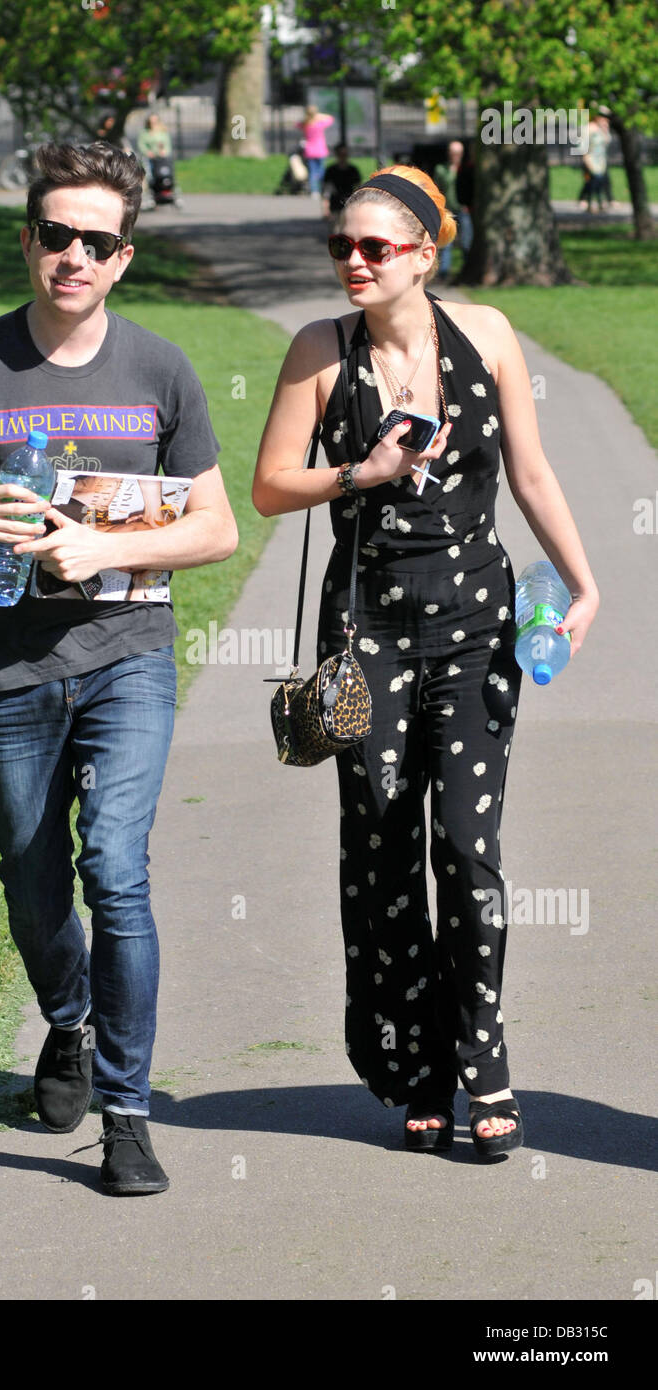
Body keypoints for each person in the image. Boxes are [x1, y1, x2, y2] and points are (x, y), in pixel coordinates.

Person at [0, 140, 238, 1195]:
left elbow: (215, 528)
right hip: (12, 672)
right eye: (56, 235)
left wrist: (110, 548)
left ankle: (127, 1112)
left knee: (114, 873)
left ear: (122, 258)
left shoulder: (161, 370)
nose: (73, 256)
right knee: (32, 889)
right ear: (27, 240)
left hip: (129, 657)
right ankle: (69, 1021)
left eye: (97, 241)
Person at [252, 165, 599, 1158]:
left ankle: (483, 1059)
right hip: (366, 637)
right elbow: (271, 489)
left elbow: (529, 469)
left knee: (467, 848)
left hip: (480, 625)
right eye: (340, 247)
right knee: (383, 851)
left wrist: (584, 584)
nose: (352, 263)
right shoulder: (319, 353)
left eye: (374, 247)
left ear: (425, 255)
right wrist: (364, 470)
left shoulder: (485, 333)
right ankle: (416, 1062)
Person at [433, 140, 473, 279]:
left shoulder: (467, 169)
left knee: (466, 241)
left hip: (463, 209)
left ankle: (466, 269)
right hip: (448, 210)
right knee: (446, 242)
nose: (455, 155)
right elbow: (437, 189)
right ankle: (444, 272)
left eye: (458, 153)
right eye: (453, 153)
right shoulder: (441, 169)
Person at [297, 105, 336, 197]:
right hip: (320, 150)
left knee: (312, 171)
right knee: (321, 171)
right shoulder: (319, 124)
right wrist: (319, 116)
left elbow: (297, 124)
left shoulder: (306, 124)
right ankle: (323, 188)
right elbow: (331, 119)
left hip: (310, 150)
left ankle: (315, 191)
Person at [321, 144, 362, 222]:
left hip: (350, 204)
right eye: (341, 154)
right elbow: (326, 191)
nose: (343, 157)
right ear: (337, 155)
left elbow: (358, 189)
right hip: (335, 204)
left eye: (345, 154)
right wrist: (325, 208)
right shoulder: (331, 171)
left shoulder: (353, 171)